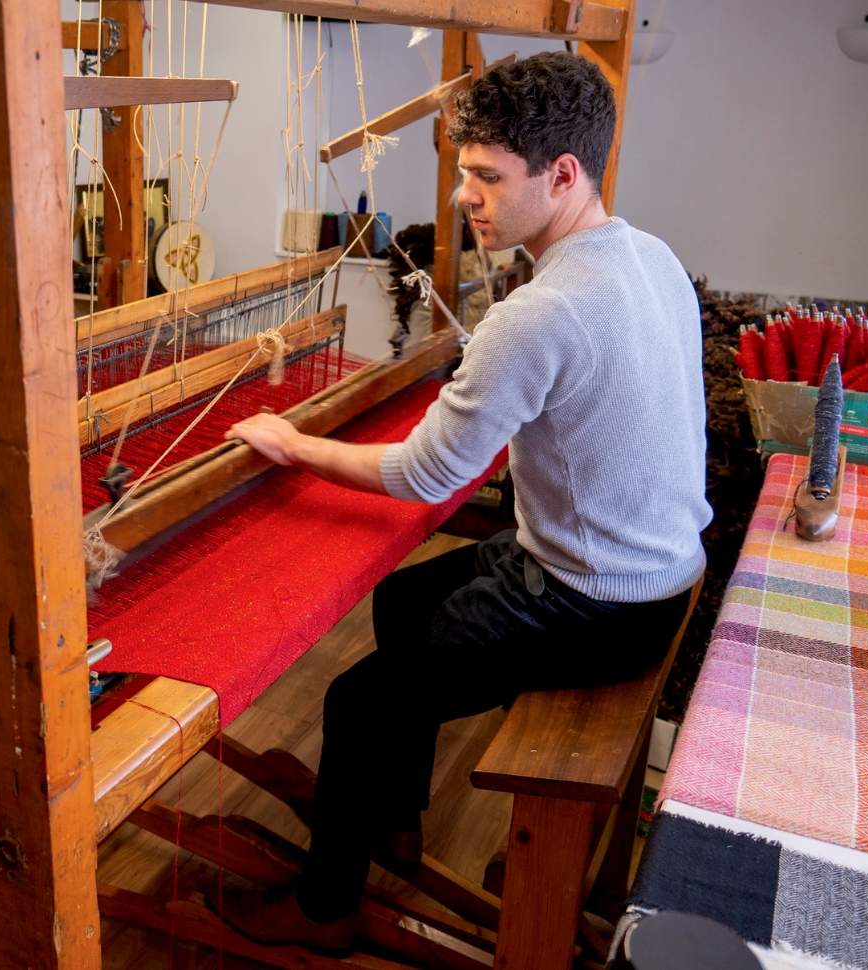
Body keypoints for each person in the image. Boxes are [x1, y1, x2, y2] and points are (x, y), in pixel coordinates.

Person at [217, 51, 711, 954]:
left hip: (601, 601)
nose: (462, 197)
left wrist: (291, 444)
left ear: (562, 175)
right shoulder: (650, 254)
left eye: (486, 177)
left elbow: (426, 477)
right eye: (464, 173)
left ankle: (322, 912)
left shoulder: (541, 311)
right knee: (402, 599)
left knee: (359, 703)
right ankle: (392, 821)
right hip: (657, 567)